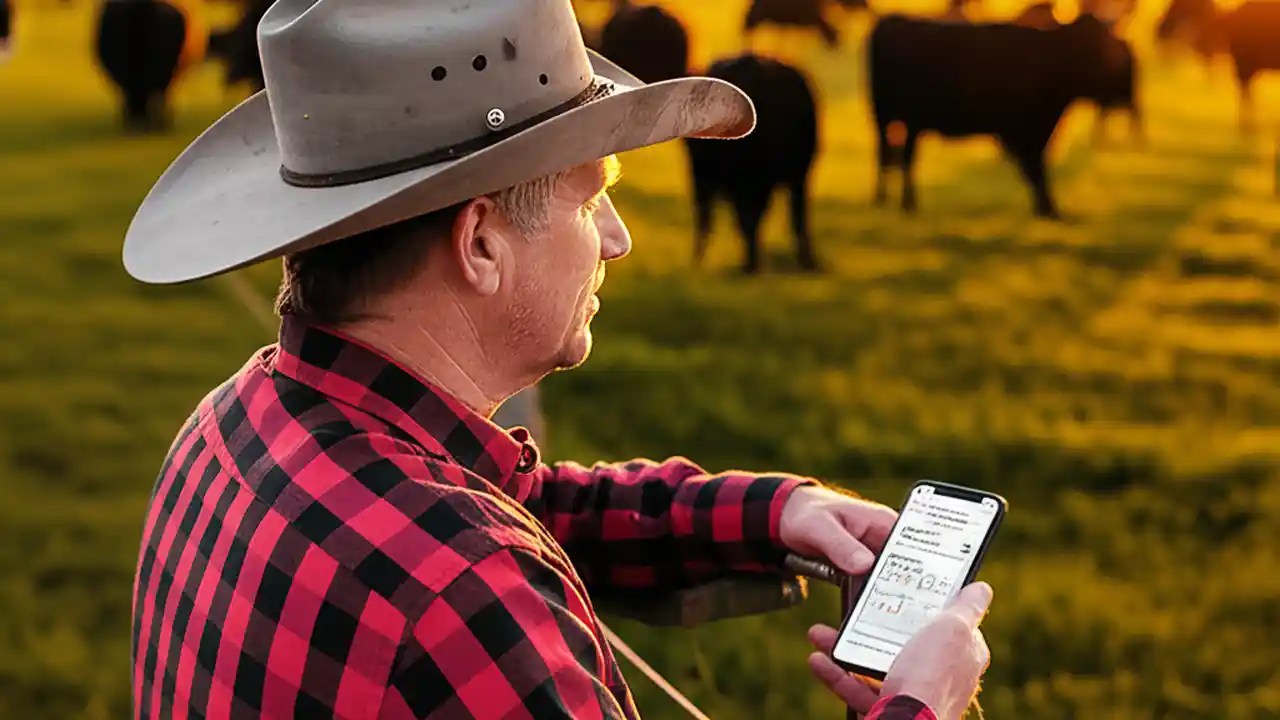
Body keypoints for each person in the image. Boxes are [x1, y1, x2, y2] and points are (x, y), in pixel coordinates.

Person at [121, 0, 992, 717]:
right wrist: (918, 706)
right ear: (482, 242)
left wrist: (774, 512)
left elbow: (514, 504)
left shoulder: (233, 423)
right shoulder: (465, 599)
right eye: (594, 197)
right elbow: (473, 551)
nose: (616, 241)